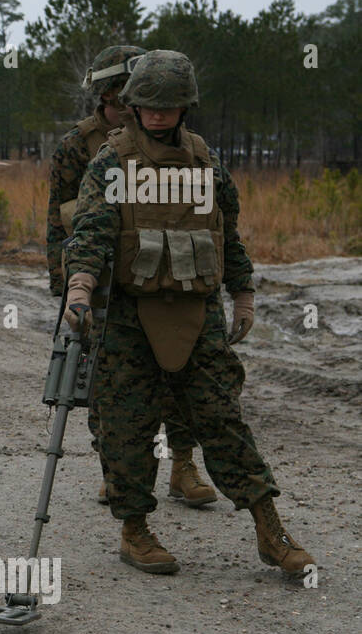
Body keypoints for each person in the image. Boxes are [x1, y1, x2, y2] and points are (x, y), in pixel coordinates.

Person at [64, 49, 315, 576]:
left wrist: (242, 293)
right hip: (131, 316)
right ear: (131, 106)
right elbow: (90, 233)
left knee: (223, 420)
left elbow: (228, 236)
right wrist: (80, 287)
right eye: (148, 106)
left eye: (169, 106)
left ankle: (271, 529)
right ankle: (135, 531)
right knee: (128, 427)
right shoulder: (111, 163)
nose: (158, 115)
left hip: (198, 312)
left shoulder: (206, 162)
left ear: (185, 107)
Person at [49, 44, 218, 509]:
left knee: (180, 375)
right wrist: (65, 286)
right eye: (120, 98)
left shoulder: (179, 144)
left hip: (170, 272)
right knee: (108, 384)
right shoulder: (79, 147)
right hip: (105, 284)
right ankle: (117, 468)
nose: (133, 106)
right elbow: (58, 223)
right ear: (105, 98)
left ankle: (183, 464)